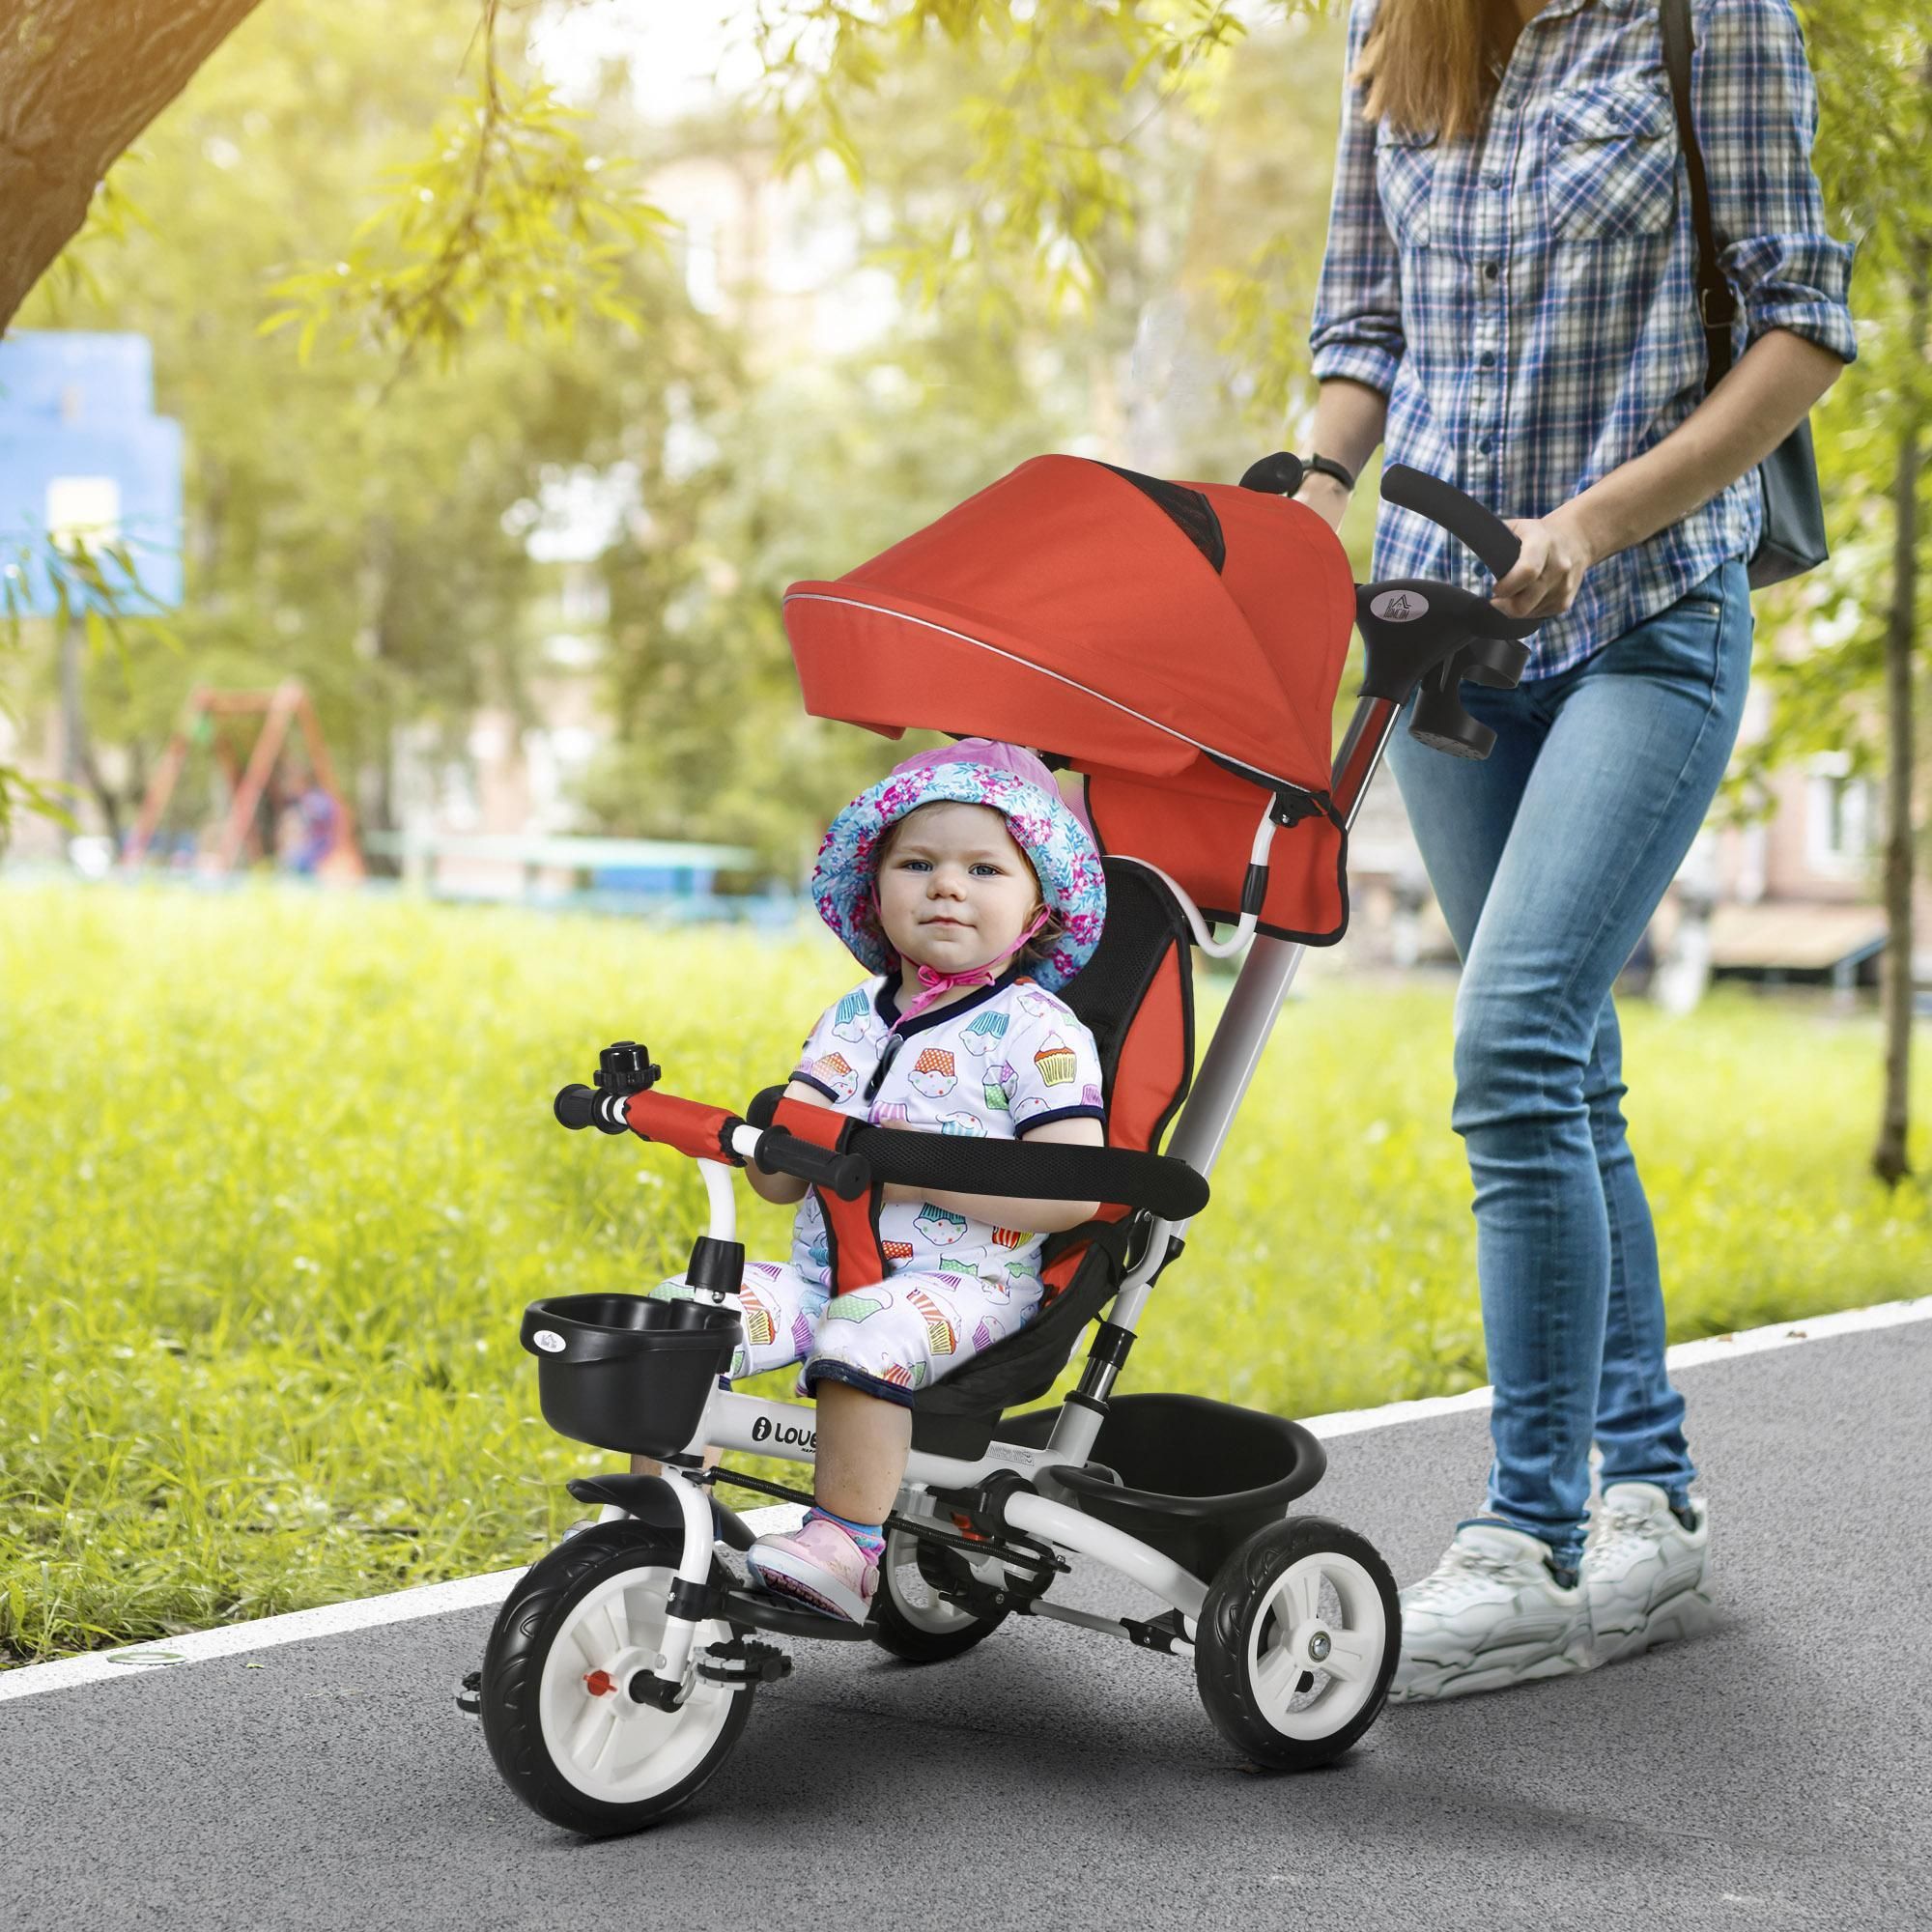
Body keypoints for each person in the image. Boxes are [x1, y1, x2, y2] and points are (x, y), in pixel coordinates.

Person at [1294, 0, 1855, 1699]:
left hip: (1644, 612)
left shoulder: (1711, 19)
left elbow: (1803, 326)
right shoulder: (1398, 27)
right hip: (1449, 627)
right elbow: (1363, 318)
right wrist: (1303, 490)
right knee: (1569, 1071)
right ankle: (1653, 1505)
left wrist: (1599, 520)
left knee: (1517, 1042)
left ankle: (1523, 1538)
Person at [652, 740, 1109, 1622]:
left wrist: (913, 1177)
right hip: (826, 1276)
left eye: (984, 867)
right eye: (919, 864)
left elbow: (1075, 1189)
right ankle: (665, 1521)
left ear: (1038, 907)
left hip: (968, 1285)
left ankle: (846, 1545)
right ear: (877, 889)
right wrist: (771, 1145)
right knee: (685, 1314)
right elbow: (782, 1190)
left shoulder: (1037, 1031)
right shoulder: (851, 1019)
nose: (947, 886)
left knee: (865, 1330)